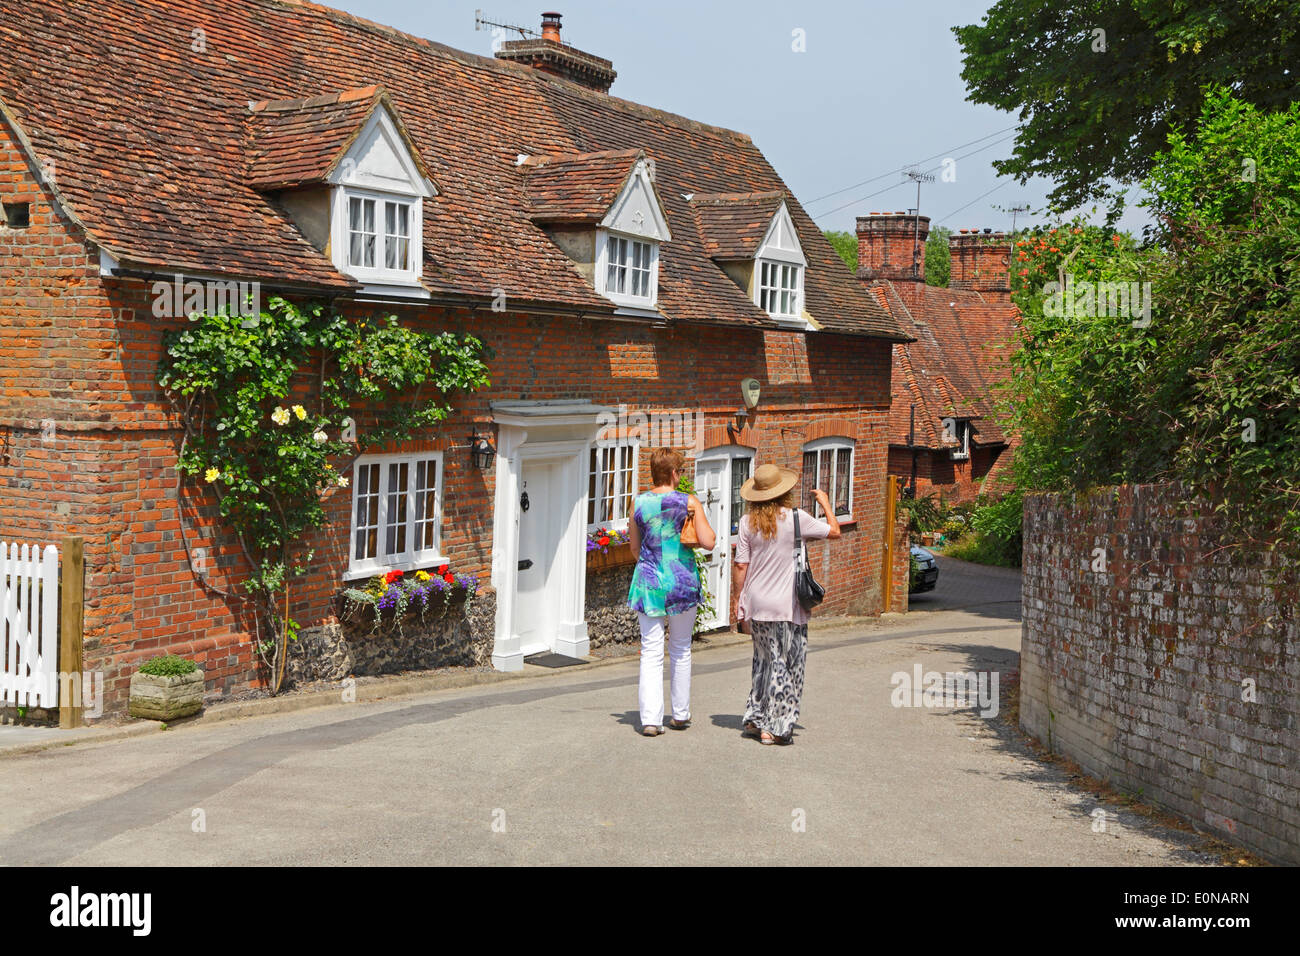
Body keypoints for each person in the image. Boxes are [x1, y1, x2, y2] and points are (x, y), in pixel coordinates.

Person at [733, 463, 841, 745]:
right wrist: (826, 503)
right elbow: (834, 531)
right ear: (783, 492)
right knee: (786, 664)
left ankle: (756, 719)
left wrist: (738, 600)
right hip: (786, 605)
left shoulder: (746, 523)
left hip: (757, 603)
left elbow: (741, 566)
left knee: (763, 661)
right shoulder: (796, 518)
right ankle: (775, 726)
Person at [626, 447, 717, 737]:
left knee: (650, 650)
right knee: (680, 648)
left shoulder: (638, 502)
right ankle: (679, 714)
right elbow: (708, 541)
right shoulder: (688, 502)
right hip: (681, 581)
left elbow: (634, 548)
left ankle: (651, 720)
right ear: (675, 472)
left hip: (650, 581)